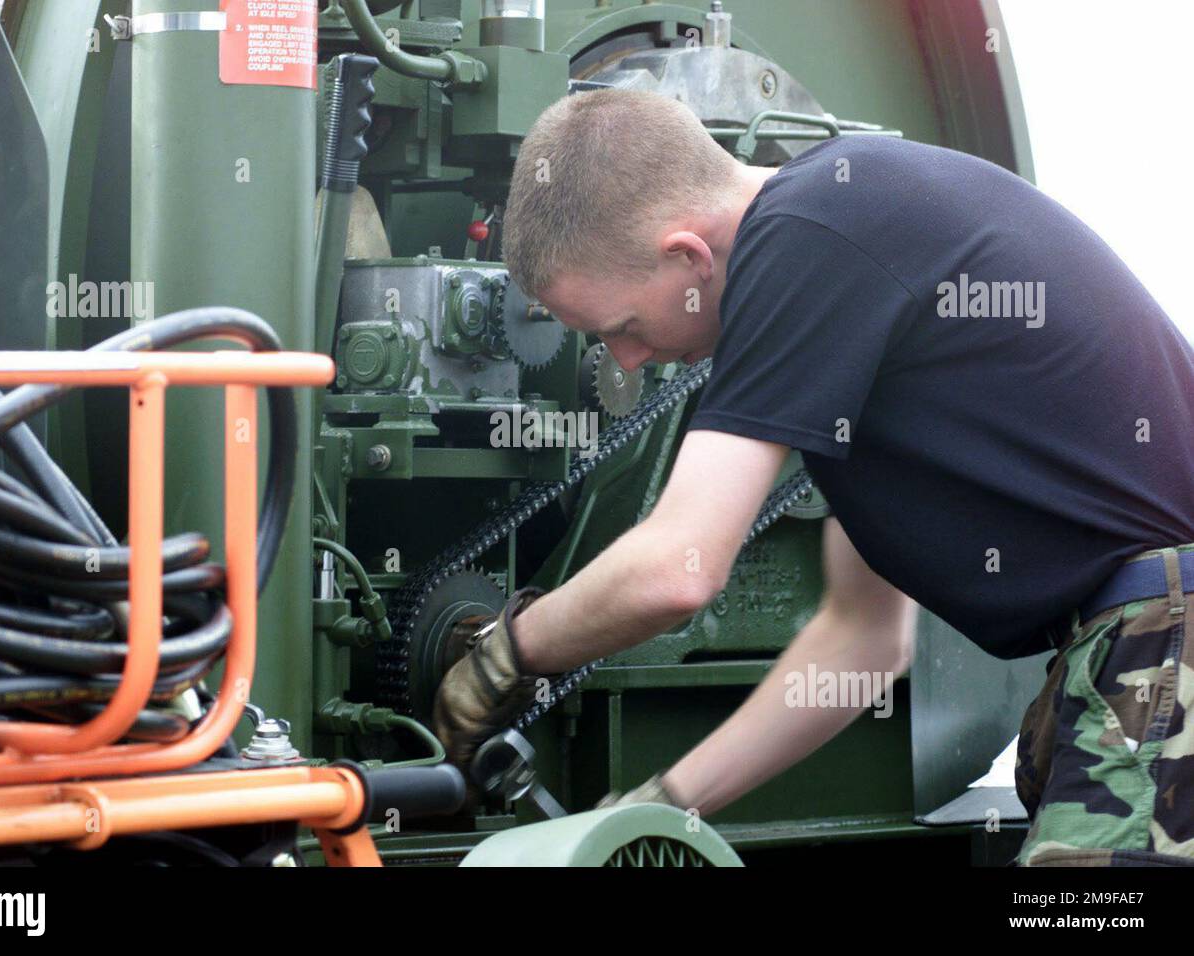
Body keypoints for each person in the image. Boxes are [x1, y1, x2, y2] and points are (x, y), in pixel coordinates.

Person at [432, 89, 1194, 866]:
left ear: (688, 257)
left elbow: (676, 570)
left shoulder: (806, 236)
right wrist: (663, 806)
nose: (627, 362)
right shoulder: (842, 248)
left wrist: (505, 655)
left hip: (1166, 639)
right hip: (1137, 647)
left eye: (622, 329)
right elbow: (860, 640)